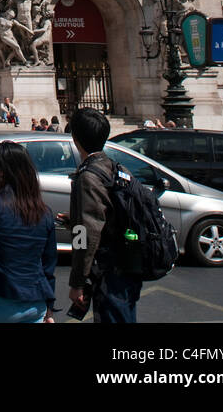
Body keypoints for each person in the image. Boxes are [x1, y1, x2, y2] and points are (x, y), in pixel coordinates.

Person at [66, 107, 142, 323]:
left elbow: (85, 234)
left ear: (75, 138)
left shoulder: (88, 176)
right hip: (128, 263)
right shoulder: (116, 168)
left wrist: (78, 281)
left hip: (109, 269)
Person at [0, 141, 57, 322]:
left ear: (1, 171)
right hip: (35, 300)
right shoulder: (44, 212)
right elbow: (48, 264)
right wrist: (49, 306)